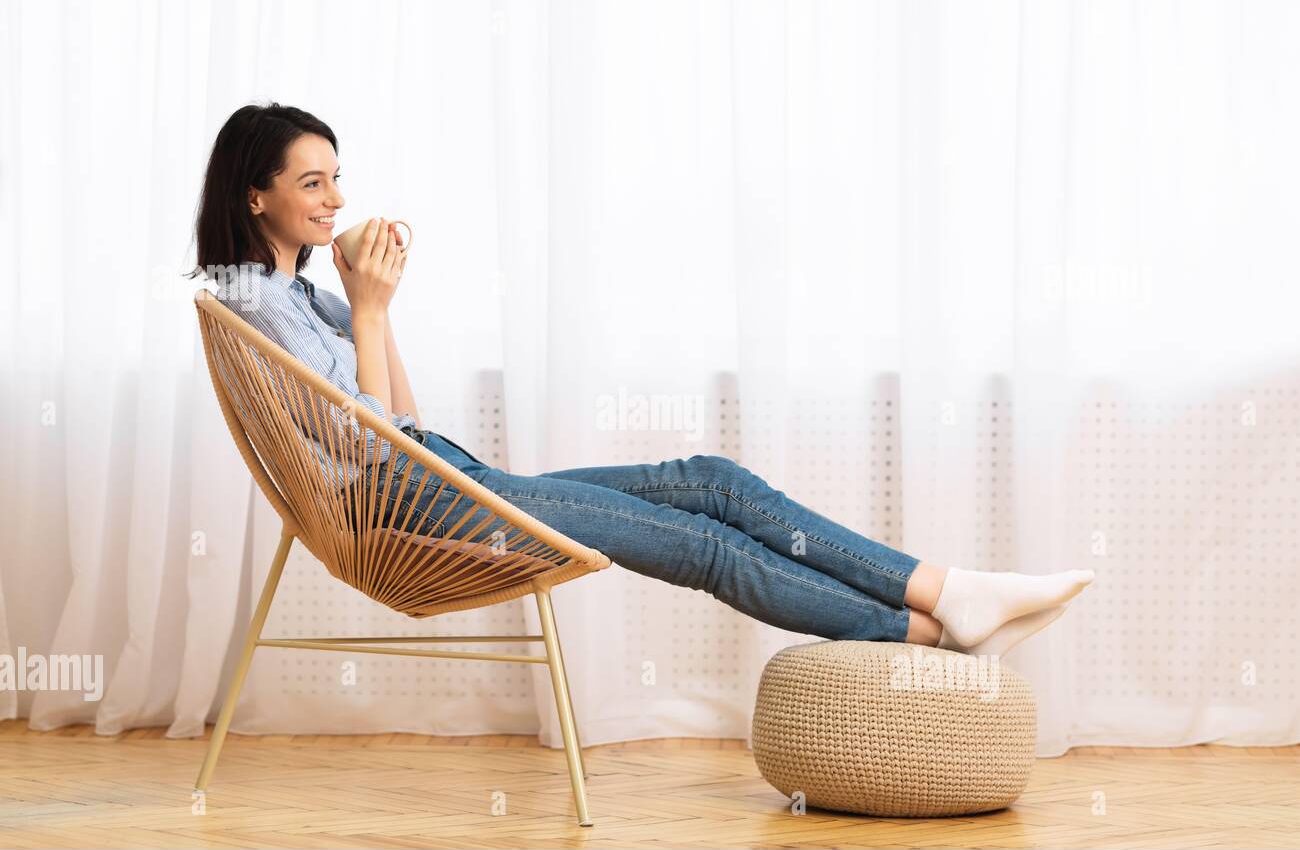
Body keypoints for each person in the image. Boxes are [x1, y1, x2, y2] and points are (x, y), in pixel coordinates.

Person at [190, 102, 1094, 656]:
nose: (337, 200)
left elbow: (408, 423)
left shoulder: (298, 296)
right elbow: (369, 446)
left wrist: (367, 301)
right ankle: (931, 633)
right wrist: (375, 314)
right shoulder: (255, 307)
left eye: (338, 178)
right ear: (253, 196)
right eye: (313, 183)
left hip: (432, 471)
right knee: (702, 544)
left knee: (708, 483)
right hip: (404, 506)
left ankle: (942, 591)